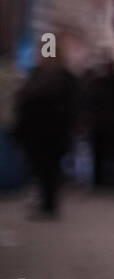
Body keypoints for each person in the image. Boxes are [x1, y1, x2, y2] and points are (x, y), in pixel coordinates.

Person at [13, 58, 78, 218]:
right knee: (45, 169)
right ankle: (47, 202)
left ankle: (48, 203)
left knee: (47, 169)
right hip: (45, 131)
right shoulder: (43, 75)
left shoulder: (51, 77)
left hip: (48, 131)